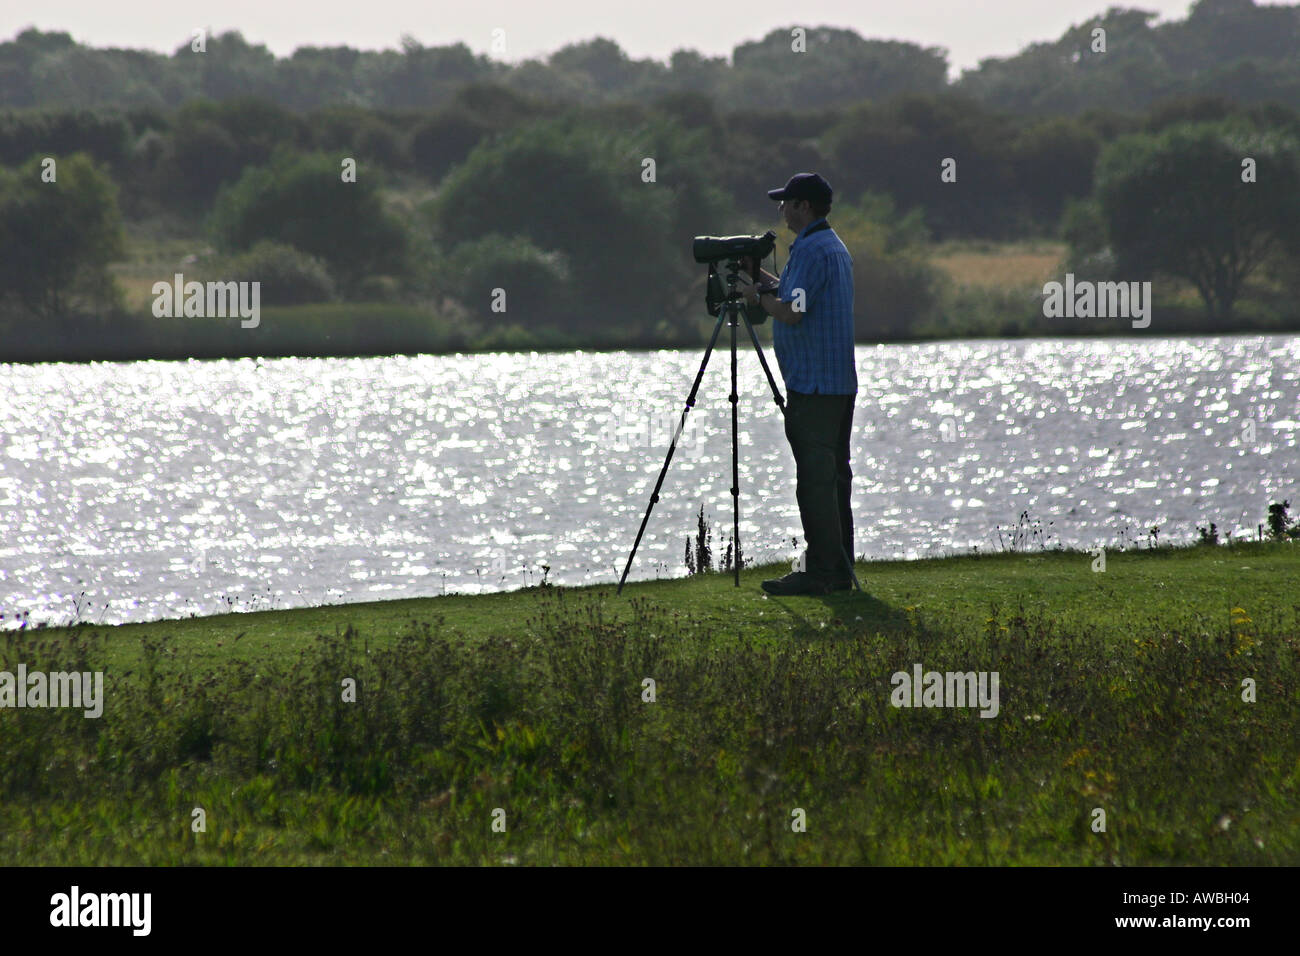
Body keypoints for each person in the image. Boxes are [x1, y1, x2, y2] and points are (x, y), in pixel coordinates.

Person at [742, 172, 858, 596]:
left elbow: (791, 312)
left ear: (804, 207)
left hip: (814, 387)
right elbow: (797, 297)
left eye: (787, 203)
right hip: (834, 383)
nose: (781, 210)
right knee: (832, 479)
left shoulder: (811, 250)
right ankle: (837, 566)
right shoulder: (829, 246)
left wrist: (755, 298)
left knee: (815, 479)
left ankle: (824, 572)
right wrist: (763, 283)